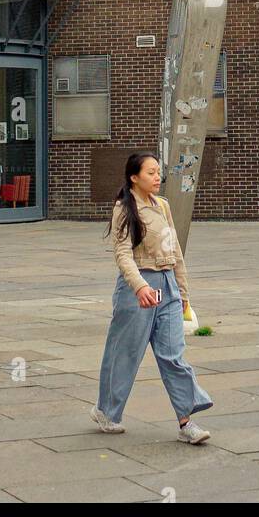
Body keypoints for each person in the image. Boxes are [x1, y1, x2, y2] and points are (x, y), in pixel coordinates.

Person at [91, 153, 213, 443]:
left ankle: (186, 423)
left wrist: (182, 293)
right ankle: (106, 411)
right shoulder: (124, 208)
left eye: (159, 172)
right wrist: (140, 287)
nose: (157, 177)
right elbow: (122, 254)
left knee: (173, 354)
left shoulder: (163, 206)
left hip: (167, 287)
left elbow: (175, 251)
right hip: (138, 290)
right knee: (125, 353)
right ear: (134, 177)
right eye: (151, 173)